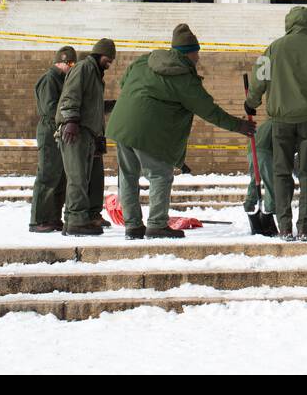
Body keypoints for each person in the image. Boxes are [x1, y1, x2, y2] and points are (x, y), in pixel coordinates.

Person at [107, 24, 254, 239]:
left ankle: (133, 226)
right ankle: (156, 224)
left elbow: (124, 80)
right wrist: (239, 126)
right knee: (160, 175)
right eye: (196, 53)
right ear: (188, 53)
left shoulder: (144, 61)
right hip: (148, 131)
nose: (198, 58)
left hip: (122, 124)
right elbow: (209, 110)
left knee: (128, 176)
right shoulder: (183, 78)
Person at [244, 6, 307, 241]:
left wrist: (251, 103)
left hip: (281, 121)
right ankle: (305, 227)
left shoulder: (274, 49)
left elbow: (260, 79)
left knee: (281, 173)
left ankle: (285, 227)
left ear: (288, 24)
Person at [56, 37, 115, 236]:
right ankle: (75, 221)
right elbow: (71, 95)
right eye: (108, 57)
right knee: (77, 178)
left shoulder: (96, 75)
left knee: (82, 178)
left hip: (86, 134)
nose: (110, 62)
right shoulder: (84, 69)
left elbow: (92, 107)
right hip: (76, 132)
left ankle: (76, 218)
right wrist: (71, 120)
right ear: (99, 54)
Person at [30, 45, 76, 232]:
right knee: (47, 175)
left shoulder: (62, 79)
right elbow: (50, 108)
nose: (73, 67)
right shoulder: (49, 79)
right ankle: (38, 220)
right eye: (71, 63)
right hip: (49, 131)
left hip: (58, 131)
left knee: (60, 177)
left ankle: (54, 217)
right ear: (62, 62)